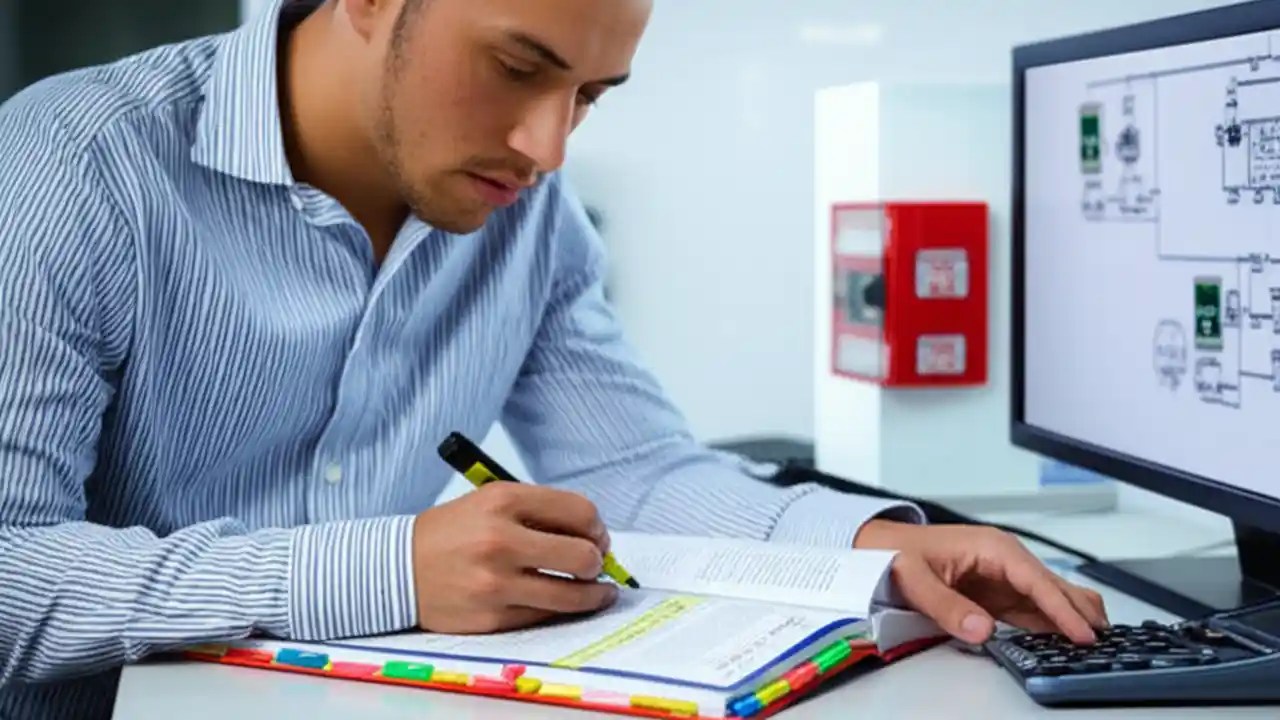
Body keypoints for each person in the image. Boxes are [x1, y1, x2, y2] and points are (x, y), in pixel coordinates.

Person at [0, 0, 1108, 716]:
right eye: (515, 66)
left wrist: (866, 545)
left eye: (588, 95)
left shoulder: (525, 213)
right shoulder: (71, 169)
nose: (547, 146)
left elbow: (633, 469)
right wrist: (389, 569)